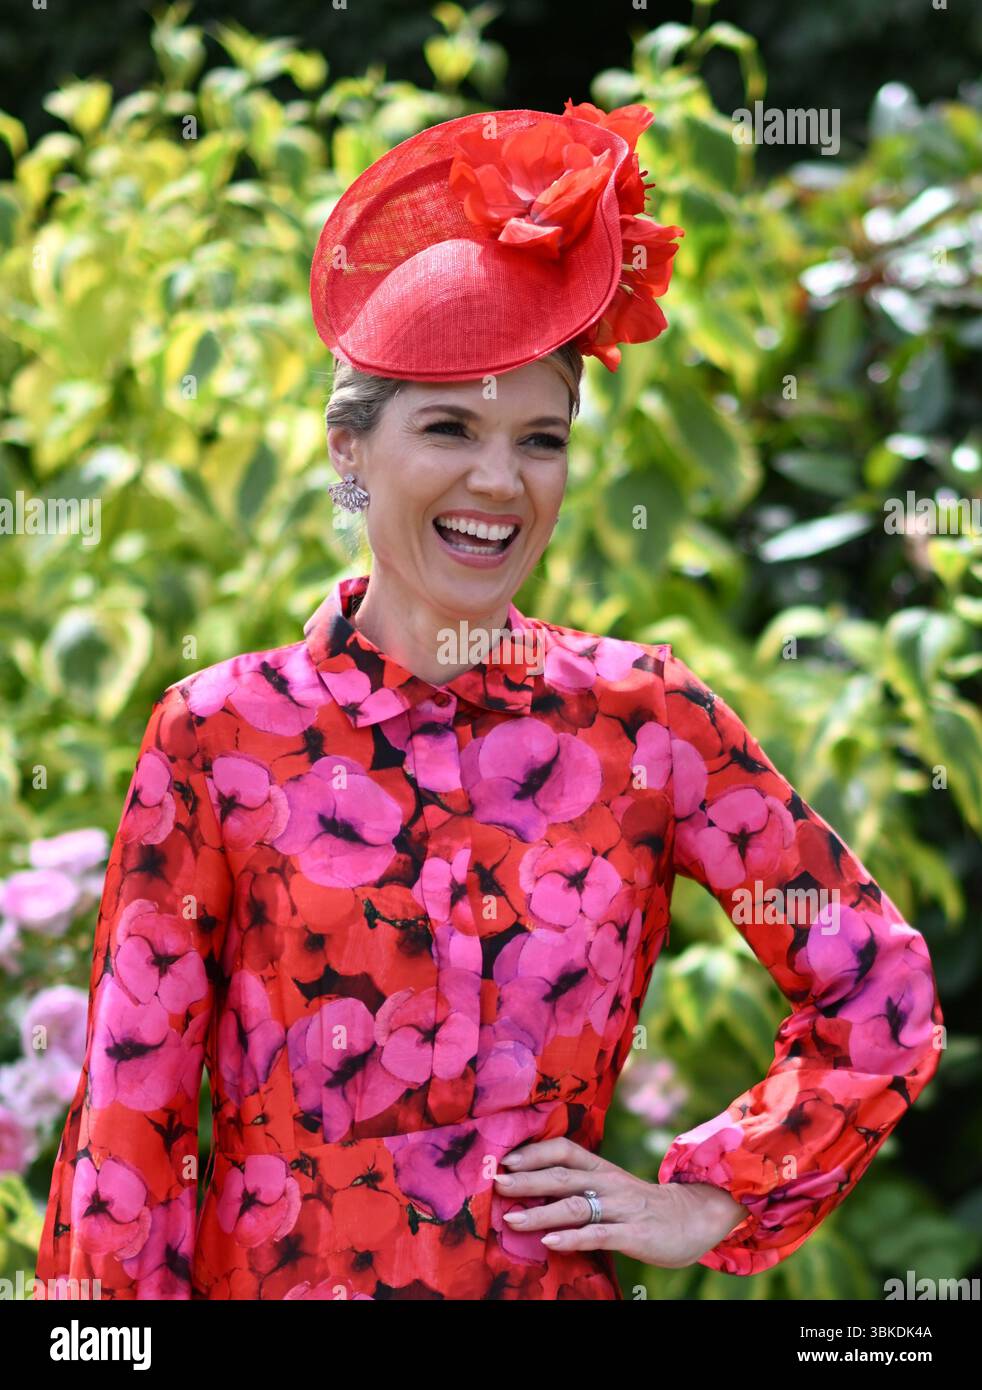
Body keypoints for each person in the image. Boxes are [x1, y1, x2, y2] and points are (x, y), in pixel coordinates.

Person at [34, 100, 943, 1301]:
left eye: (541, 440)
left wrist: (707, 1197)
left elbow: (875, 986)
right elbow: (130, 1131)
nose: (497, 481)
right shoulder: (217, 734)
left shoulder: (647, 721)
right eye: (451, 428)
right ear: (348, 451)